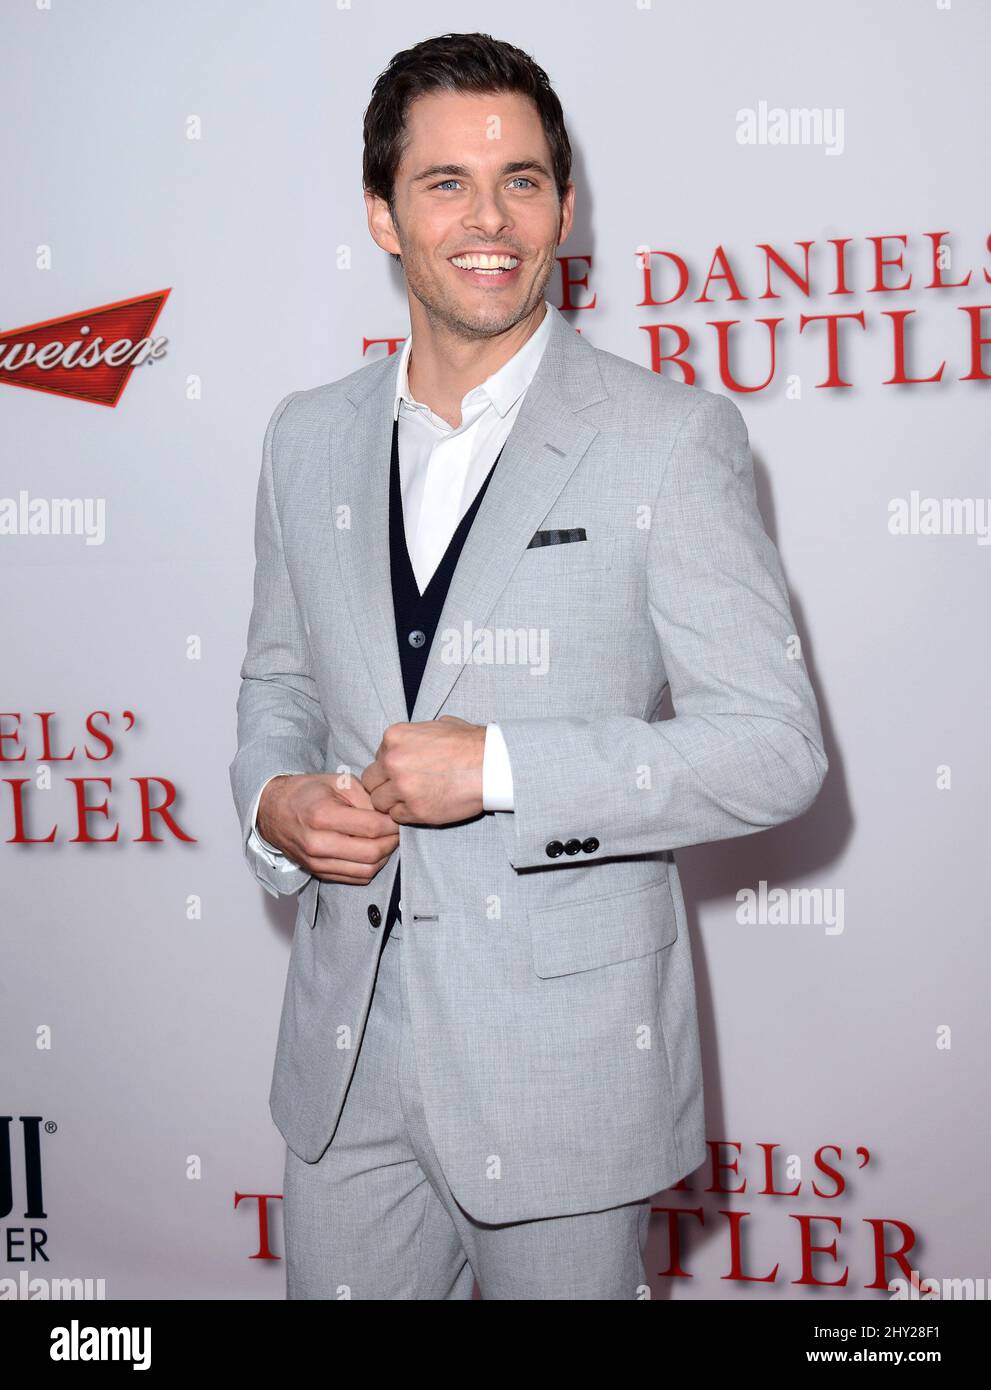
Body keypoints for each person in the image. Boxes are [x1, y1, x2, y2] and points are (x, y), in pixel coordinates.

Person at [228, 31, 828, 1300]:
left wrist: (502, 768)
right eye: (445, 182)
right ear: (384, 216)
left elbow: (773, 748)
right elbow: (277, 687)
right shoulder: (303, 440)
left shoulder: (670, 440)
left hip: (561, 1070)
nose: (490, 219)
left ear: (565, 201)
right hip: (344, 1074)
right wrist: (275, 806)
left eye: (525, 179)